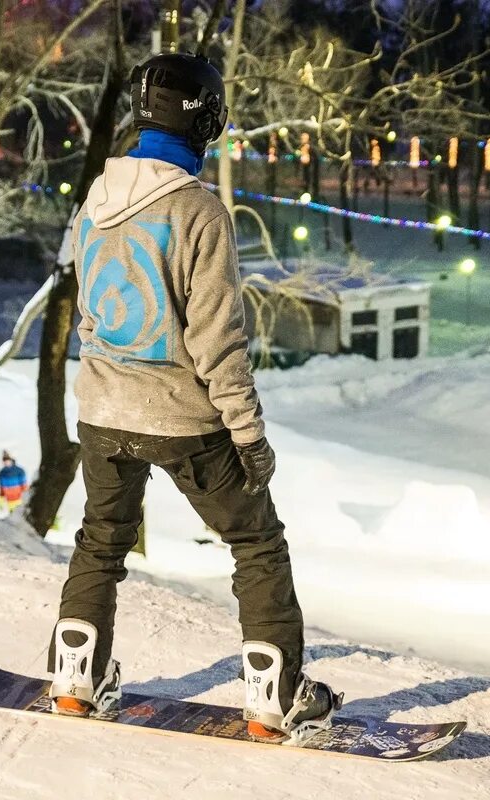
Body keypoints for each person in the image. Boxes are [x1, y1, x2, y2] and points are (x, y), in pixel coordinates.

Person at [46, 52, 339, 742]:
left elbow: (92, 311)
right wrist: (248, 436)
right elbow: (217, 342)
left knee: (100, 542)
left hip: (101, 411)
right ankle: (275, 698)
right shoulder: (199, 211)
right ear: (206, 121)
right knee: (256, 543)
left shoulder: (95, 198)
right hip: (184, 418)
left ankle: (73, 682)